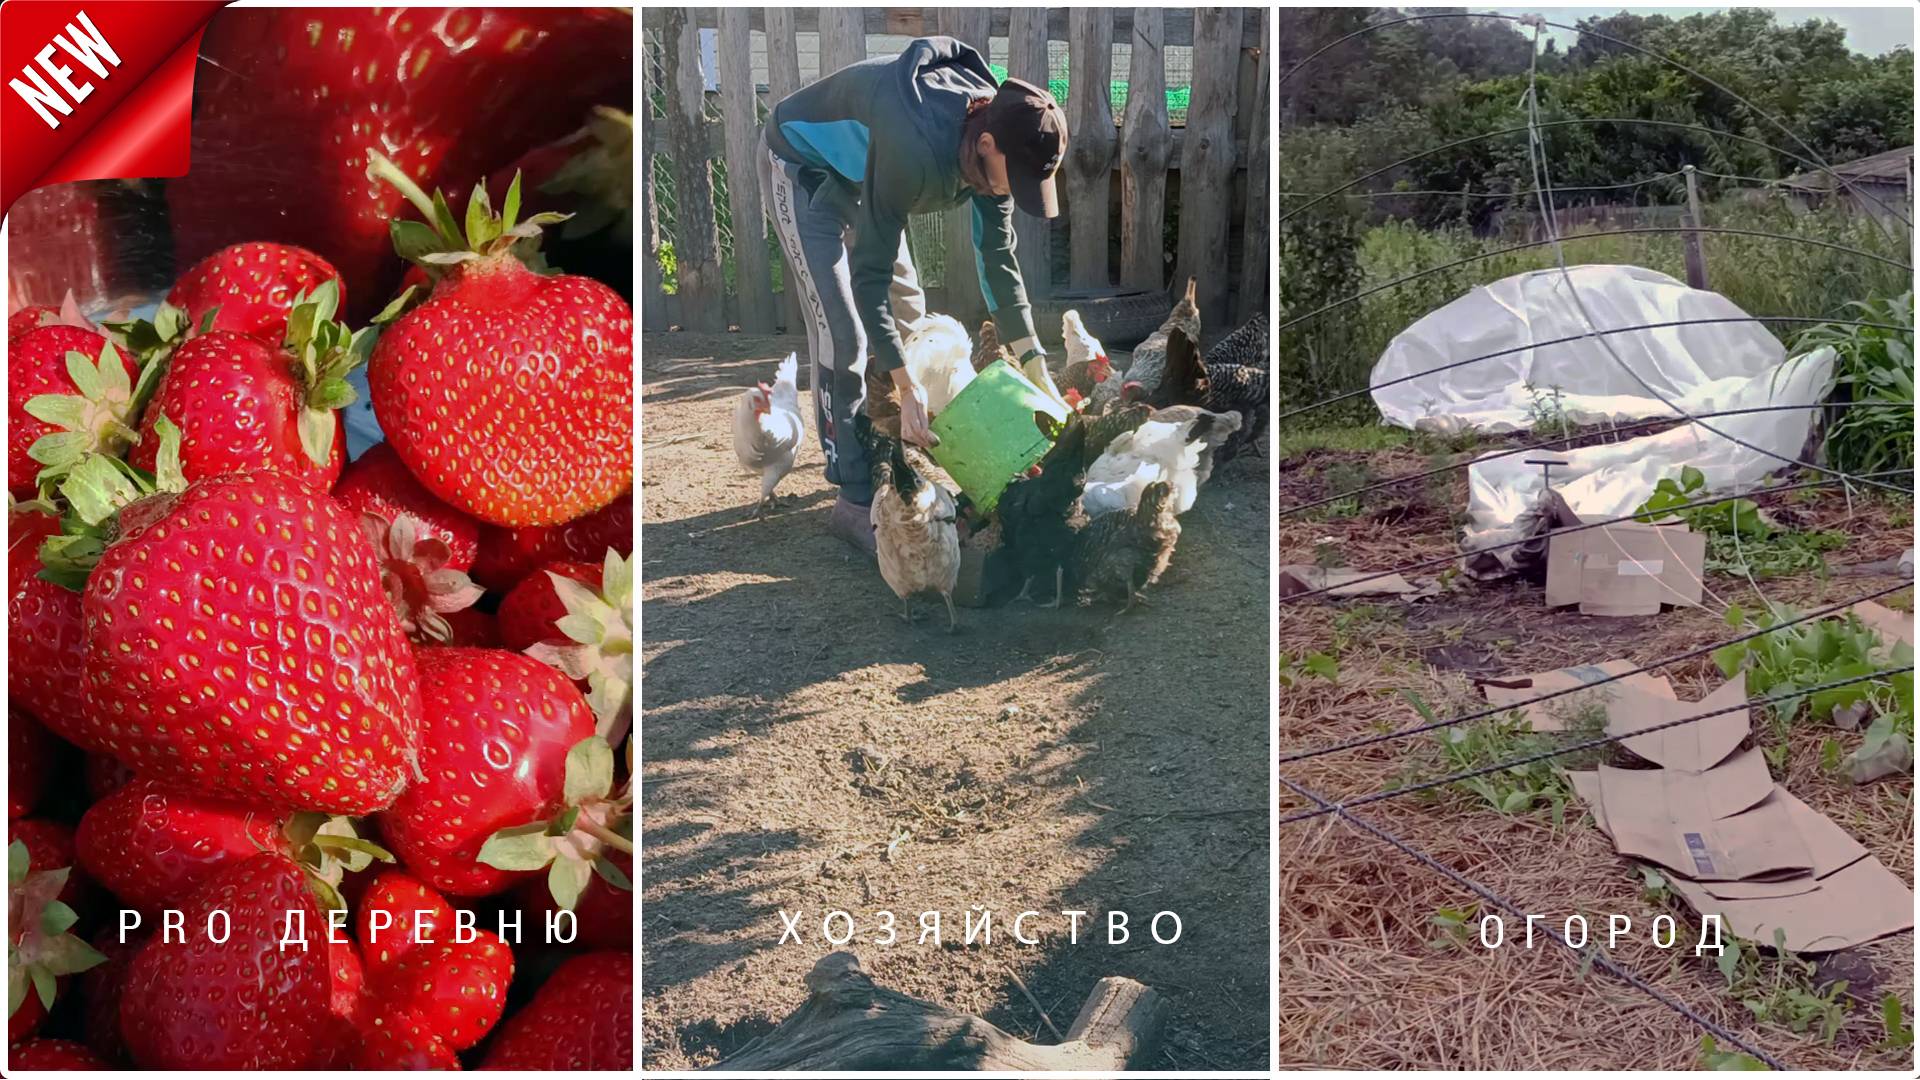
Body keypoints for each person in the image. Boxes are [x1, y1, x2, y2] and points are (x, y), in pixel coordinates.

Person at [756, 36, 1067, 555]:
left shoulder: (999, 134)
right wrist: (907, 387)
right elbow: (869, 276)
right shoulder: (917, 146)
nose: (1013, 192)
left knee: (911, 321)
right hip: (803, 169)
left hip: (871, 177)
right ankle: (853, 497)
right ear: (985, 146)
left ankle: (891, 457)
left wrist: (1035, 363)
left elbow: (998, 256)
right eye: (1013, 180)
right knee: (845, 336)